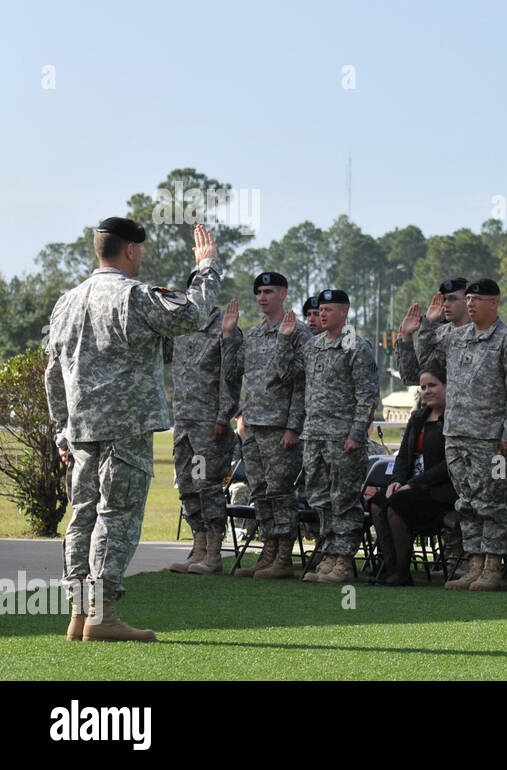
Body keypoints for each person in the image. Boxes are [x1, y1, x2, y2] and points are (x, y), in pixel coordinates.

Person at [46, 219, 221, 642]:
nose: (141, 258)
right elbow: (194, 315)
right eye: (139, 251)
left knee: (83, 514)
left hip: (82, 428)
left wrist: (61, 430)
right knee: (117, 515)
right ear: (129, 251)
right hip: (127, 428)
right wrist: (207, 267)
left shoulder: (66, 303)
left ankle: (78, 611)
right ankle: (102, 615)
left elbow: (53, 372)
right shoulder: (133, 296)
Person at [432, 278, 507, 591]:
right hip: (456, 436)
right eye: (468, 298)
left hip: (492, 441)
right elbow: (421, 362)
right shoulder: (455, 336)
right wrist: (424, 326)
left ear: (495, 303)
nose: (470, 304)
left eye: (477, 299)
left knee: (492, 503)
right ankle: (473, 563)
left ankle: (492, 566)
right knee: (466, 502)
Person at [276, 289, 381, 583]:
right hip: (314, 436)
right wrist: (284, 340)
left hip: (343, 438)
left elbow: (368, 395)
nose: (322, 314)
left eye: (329, 310)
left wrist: (357, 434)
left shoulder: (356, 346)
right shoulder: (314, 347)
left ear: (344, 313)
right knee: (320, 498)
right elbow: (287, 374)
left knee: (344, 499)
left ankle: (343, 560)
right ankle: (328, 555)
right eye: (320, 310)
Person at [221, 272, 312, 579]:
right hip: (255, 426)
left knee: (281, 492)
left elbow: (301, 384)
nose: (262, 297)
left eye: (269, 291)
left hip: (280, 427)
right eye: (259, 292)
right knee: (260, 491)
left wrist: (294, 427)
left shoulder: (297, 333)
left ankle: (284, 556)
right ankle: (269, 551)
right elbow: (233, 372)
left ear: (284, 294)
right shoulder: (255, 333)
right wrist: (229, 335)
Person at [165, 285, 241, 576]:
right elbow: (162, 355)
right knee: (187, 486)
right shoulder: (181, 328)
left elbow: (231, 377)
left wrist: (224, 417)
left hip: (210, 426)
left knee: (207, 486)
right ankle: (198, 545)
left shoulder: (225, 329)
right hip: (183, 423)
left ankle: (213, 553)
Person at [370, 366, 457, 586]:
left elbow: (449, 464)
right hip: (411, 487)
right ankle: (389, 568)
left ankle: (401, 572)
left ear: (448, 386)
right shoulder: (418, 418)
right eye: (423, 387)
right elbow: (403, 458)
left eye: (433, 386)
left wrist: (414, 484)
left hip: (439, 491)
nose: (427, 391)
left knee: (397, 504)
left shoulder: (454, 420)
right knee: (378, 502)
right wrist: (397, 481)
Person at [394, 277, 471, 385]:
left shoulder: (480, 334)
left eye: (452, 299)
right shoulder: (439, 335)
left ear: (468, 301)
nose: (446, 304)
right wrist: (407, 337)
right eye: (444, 299)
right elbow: (415, 377)